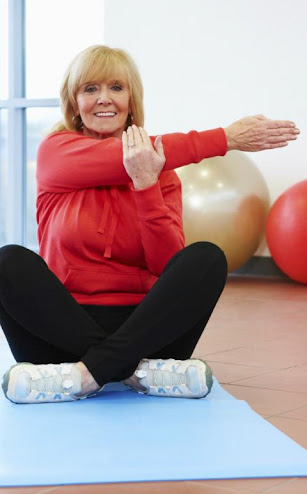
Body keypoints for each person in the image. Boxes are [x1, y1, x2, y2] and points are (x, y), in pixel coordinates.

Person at [0, 45, 299, 404]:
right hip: (61, 329)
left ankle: (83, 375)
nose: (104, 99)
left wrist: (145, 187)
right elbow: (122, 158)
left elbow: (165, 263)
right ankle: (136, 372)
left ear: (131, 99)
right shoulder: (56, 151)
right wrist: (227, 137)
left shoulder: (162, 173)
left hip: (147, 329)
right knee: (8, 261)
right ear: (74, 101)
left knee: (205, 258)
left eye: (116, 87)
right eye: (90, 89)